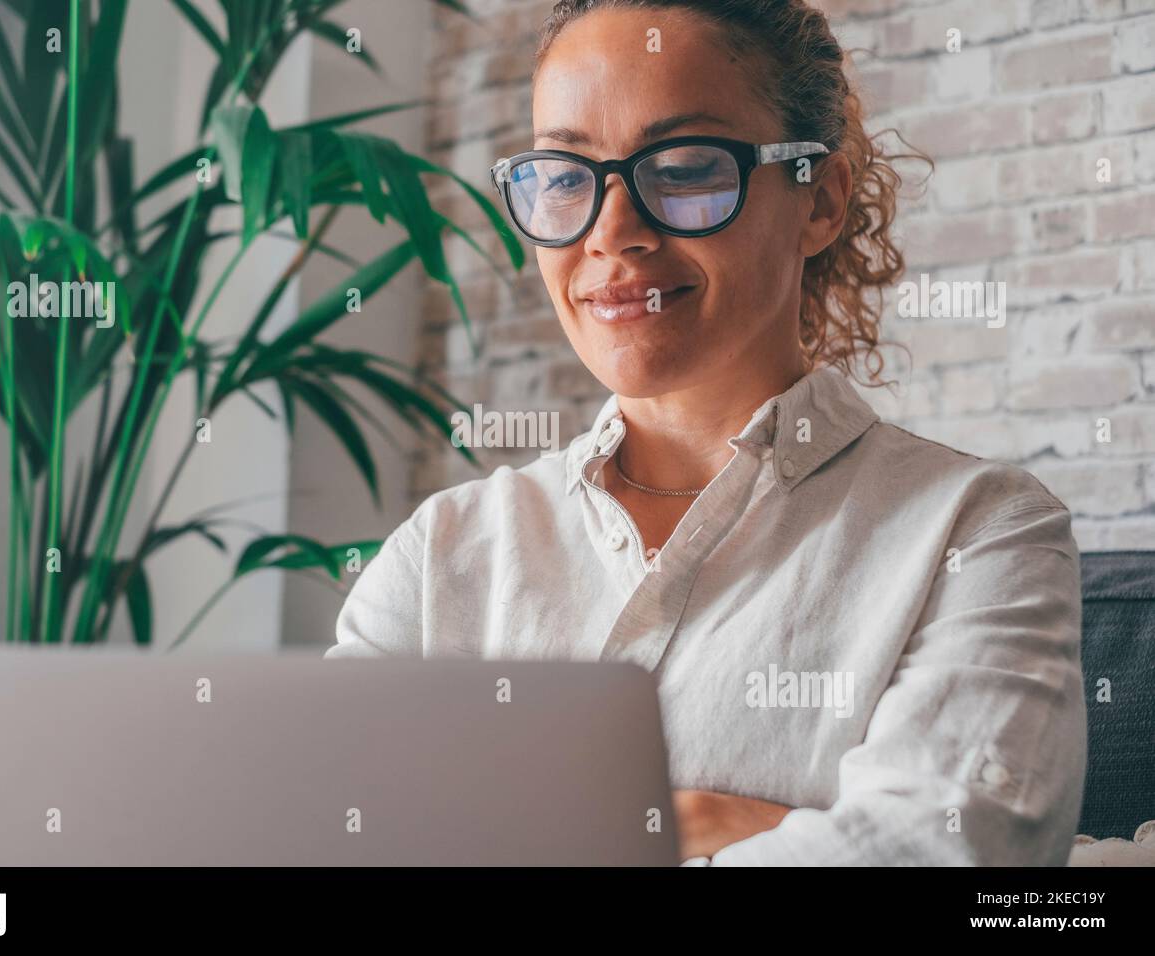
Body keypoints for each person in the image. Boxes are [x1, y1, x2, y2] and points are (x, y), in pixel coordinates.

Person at [325, 0, 1087, 866]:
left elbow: (951, 853)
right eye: (566, 178)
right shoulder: (443, 552)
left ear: (820, 201)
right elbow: (325, 833)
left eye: (684, 169)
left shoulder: (979, 530)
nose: (612, 235)